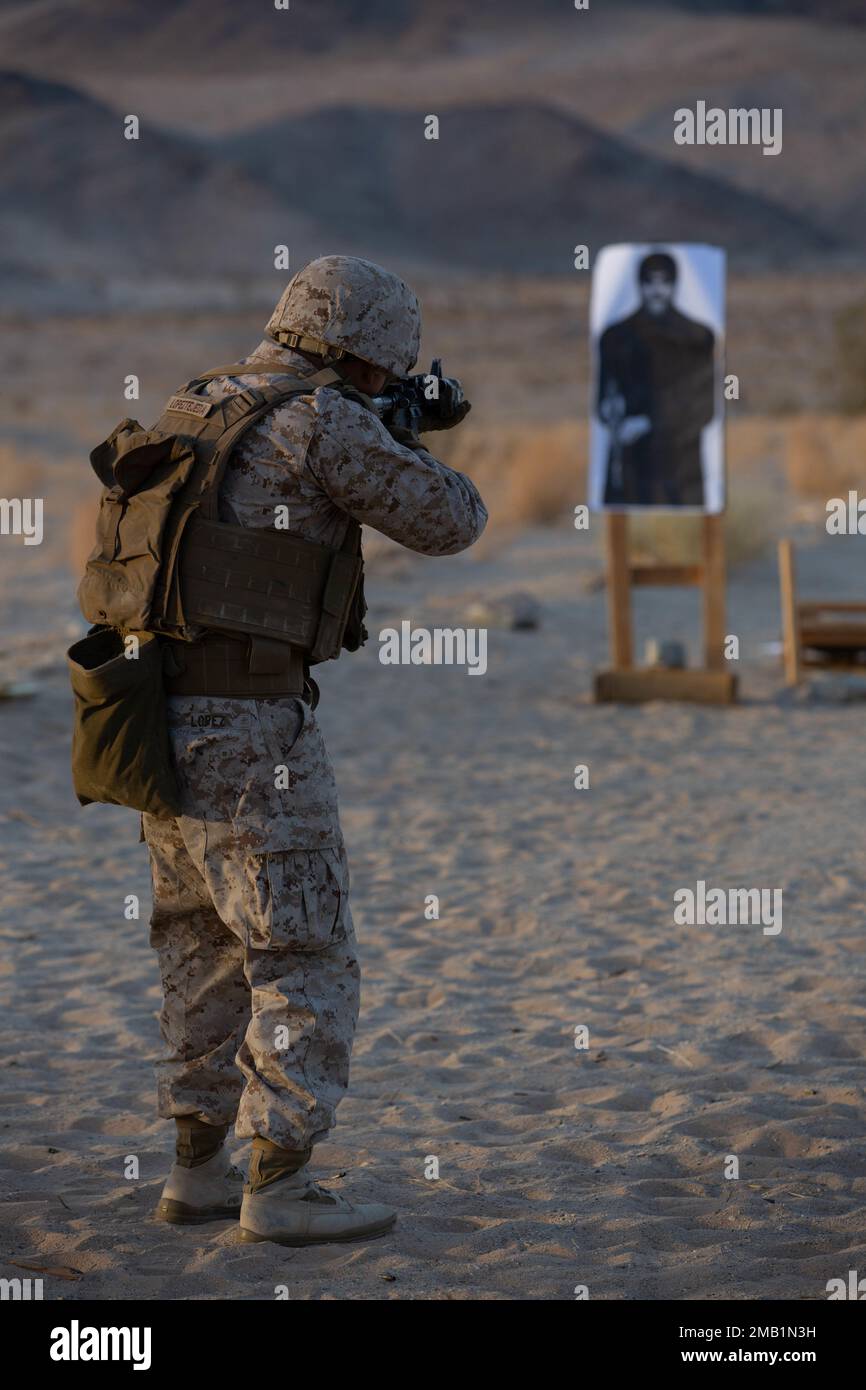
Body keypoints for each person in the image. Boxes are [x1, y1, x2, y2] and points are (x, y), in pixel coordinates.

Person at [144, 255, 486, 1245]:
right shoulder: (323, 420)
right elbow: (453, 519)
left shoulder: (194, 402)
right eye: (385, 373)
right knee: (302, 950)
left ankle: (196, 1172)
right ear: (361, 356)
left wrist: (384, 420)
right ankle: (280, 1184)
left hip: (151, 725)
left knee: (198, 949)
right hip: (255, 737)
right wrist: (400, 436)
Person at [598, 250, 716, 506]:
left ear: (675, 285)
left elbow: (703, 408)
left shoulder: (697, 337)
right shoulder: (616, 337)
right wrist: (613, 414)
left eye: (664, 282)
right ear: (640, 285)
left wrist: (650, 423)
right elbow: (601, 399)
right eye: (650, 282)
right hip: (630, 468)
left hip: (680, 469)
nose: (657, 290)